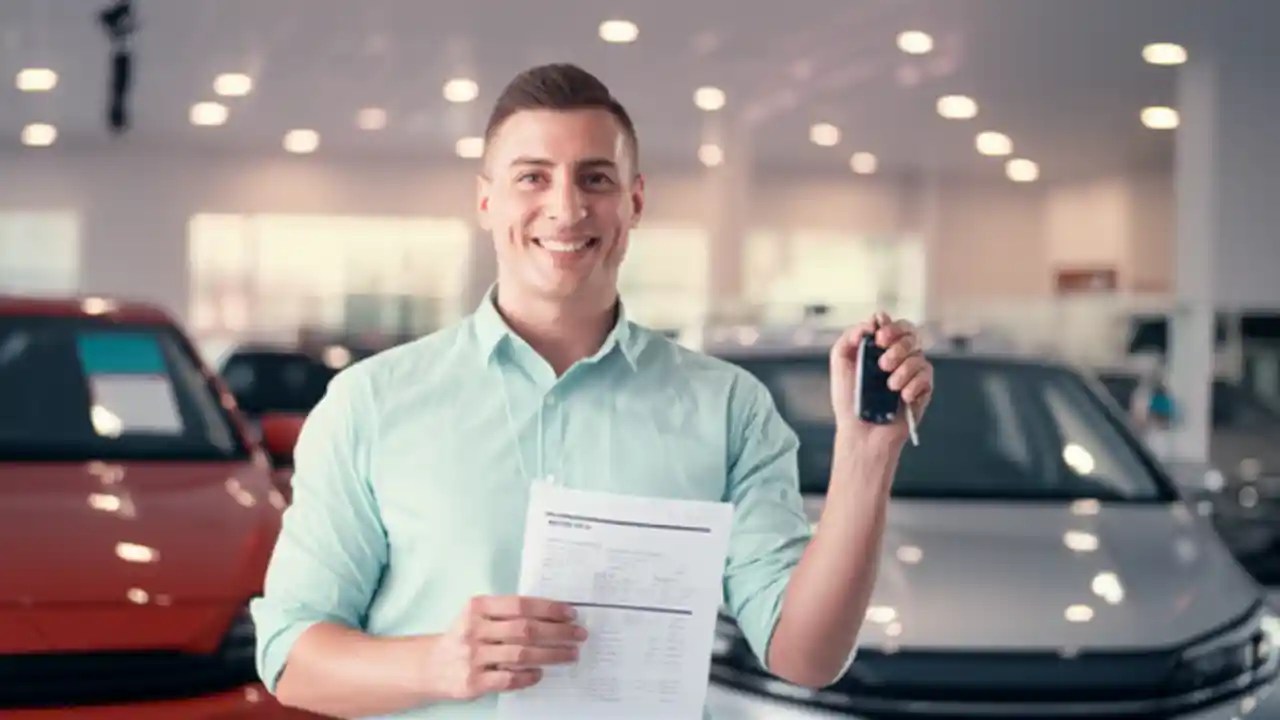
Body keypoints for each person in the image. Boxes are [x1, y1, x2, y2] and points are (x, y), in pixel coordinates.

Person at [250, 63, 934, 719]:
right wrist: (436, 665)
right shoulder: (369, 403)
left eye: (595, 178)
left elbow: (805, 657)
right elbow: (290, 655)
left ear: (634, 202)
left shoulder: (730, 409)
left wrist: (867, 455)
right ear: (486, 200)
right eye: (533, 178)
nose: (567, 207)